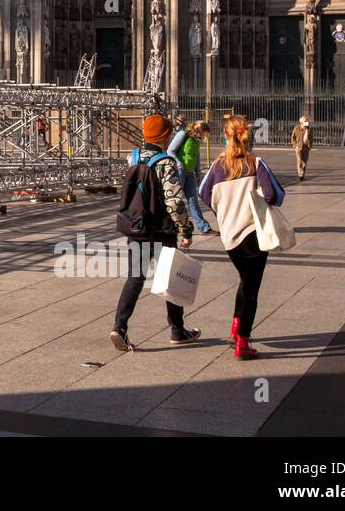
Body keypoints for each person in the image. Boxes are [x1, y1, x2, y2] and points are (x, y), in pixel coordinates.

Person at [110, 114, 200, 353]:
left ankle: (119, 327)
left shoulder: (133, 157)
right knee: (170, 280)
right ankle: (177, 329)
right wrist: (185, 229)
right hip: (161, 231)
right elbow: (174, 201)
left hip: (136, 227)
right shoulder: (165, 162)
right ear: (165, 136)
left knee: (135, 278)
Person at [199, 115, 286, 360]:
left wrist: (223, 210)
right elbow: (275, 196)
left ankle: (235, 328)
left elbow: (203, 193)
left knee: (244, 281)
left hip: (230, 237)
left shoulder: (217, 166)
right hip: (253, 233)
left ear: (226, 136)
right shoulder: (256, 163)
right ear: (247, 135)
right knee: (251, 288)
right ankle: (243, 342)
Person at [168, 119, 213, 234]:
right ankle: (170, 225)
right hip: (180, 171)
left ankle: (204, 227)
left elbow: (196, 157)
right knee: (176, 200)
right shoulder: (183, 134)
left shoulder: (196, 140)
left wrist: (198, 174)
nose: (204, 137)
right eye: (203, 134)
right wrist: (179, 164)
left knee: (193, 201)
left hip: (190, 173)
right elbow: (170, 150)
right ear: (198, 130)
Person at [290, 117, 312, 181]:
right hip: (298, 147)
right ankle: (300, 175)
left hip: (305, 147)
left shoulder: (309, 129)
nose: (307, 122)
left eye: (307, 121)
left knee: (304, 162)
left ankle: (303, 174)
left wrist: (309, 147)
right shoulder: (297, 128)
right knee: (299, 161)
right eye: (305, 121)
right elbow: (293, 137)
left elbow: (311, 138)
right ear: (301, 123)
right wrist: (295, 145)